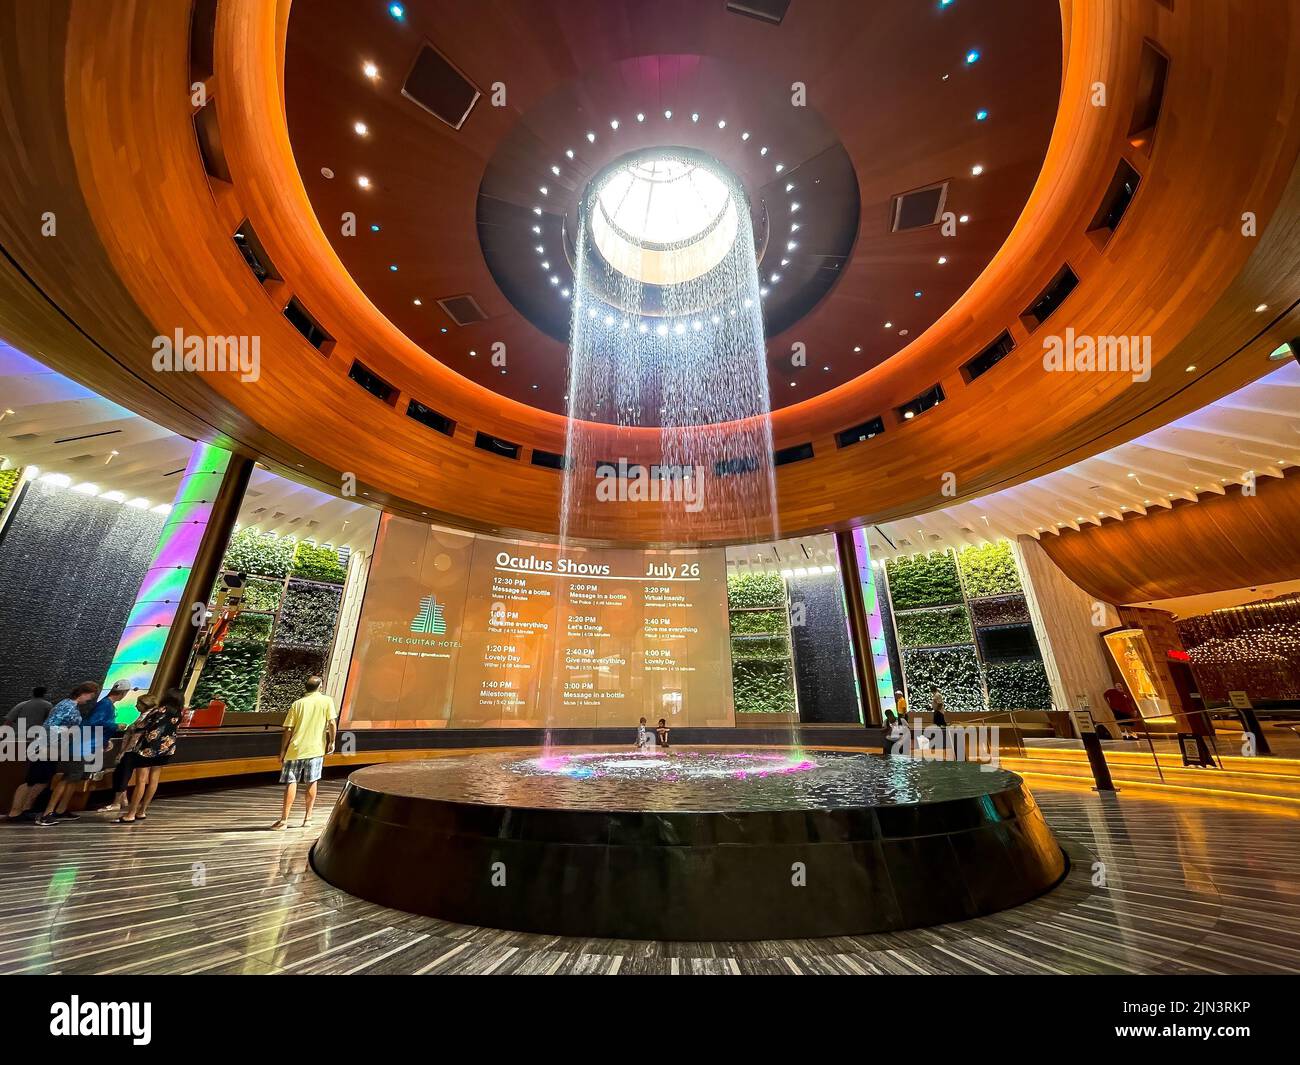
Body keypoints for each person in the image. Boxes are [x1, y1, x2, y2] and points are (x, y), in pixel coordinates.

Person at [31, 682, 100, 826]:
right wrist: (69, 732)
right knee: (41, 779)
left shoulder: (69, 705)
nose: (89, 700)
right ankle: (44, 813)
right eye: (90, 696)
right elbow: (50, 725)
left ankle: (47, 811)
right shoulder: (68, 706)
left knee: (47, 778)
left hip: (57, 745)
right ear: (85, 693)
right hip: (51, 745)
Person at [272, 677, 337, 830]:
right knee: (312, 781)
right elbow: (332, 722)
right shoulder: (327, 701)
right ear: (320, 686)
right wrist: (332, 741)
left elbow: (288, 729)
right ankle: (307, 818)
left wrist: (283, 750)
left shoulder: (297, 704)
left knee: (291, 782)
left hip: (295, 750)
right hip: (315, 749)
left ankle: (284, 820)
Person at [114, 688, 185, 825]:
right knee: (154, 780)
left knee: (141, 780)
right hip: (166, 749)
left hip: (147, 749)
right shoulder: (179, 713)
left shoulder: (159, 710)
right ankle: (142, 811)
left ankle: (131, 813)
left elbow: (141, 726)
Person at [2, 687, 54, 821]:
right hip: (36, 742)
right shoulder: (48, 706)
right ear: (45, 694)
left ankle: (14, 810)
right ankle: (24, 809)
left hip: (17, 741)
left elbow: (8, 721)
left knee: (18, 776)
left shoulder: (22, 704)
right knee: (33, 778)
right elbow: (50, 724)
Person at [100, 693, 156, 813]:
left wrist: (123, 752)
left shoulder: (147, 718)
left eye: (138, 703)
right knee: (122, 774)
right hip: (131, 750)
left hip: (132, 750)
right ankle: (122, 800)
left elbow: (135, 735)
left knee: (122, 774)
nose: (136, 706)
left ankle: (116, 803)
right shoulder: (145, 716)